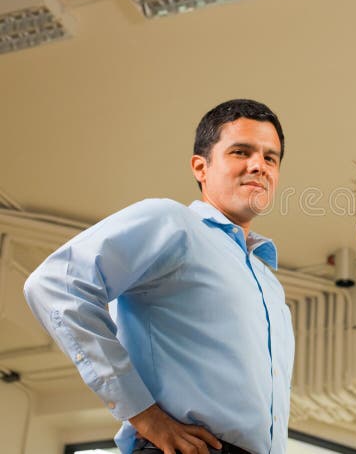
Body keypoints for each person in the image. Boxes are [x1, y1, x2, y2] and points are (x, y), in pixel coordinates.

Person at [24, 99, 294, 454]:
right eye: (241, 152)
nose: (258, 165)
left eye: (270, 157)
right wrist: (146, 417)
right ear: (200, 167)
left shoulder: (268, 282)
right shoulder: (173, 224)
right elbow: (56, 284)